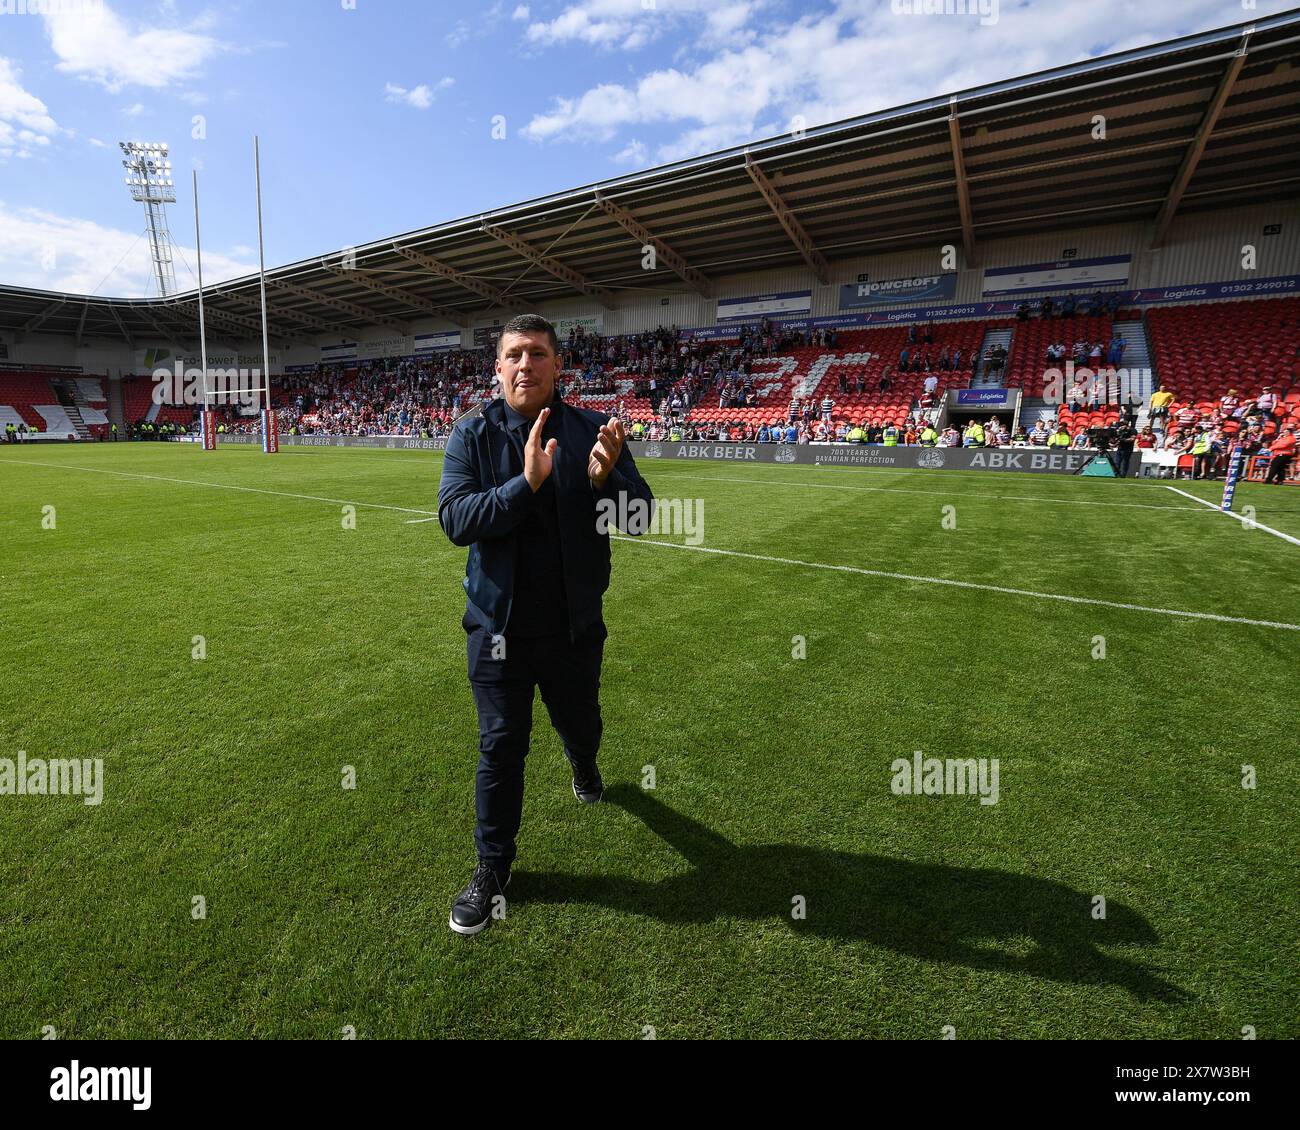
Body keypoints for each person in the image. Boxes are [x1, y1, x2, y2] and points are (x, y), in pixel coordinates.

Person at [437, 314, 655, 936]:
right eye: (514, 355)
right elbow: (456, 520)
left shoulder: (594, 431)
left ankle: (584, 763)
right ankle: (493, 869)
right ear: (497, 367)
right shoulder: (471, 434)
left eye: (538, 354)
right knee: (501, 747)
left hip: (572, 630)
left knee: (580, 724)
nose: (525, 364)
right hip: (496, 631)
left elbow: (639, 519)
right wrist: (525, 484)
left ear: (559, 366)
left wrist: (607, 478)